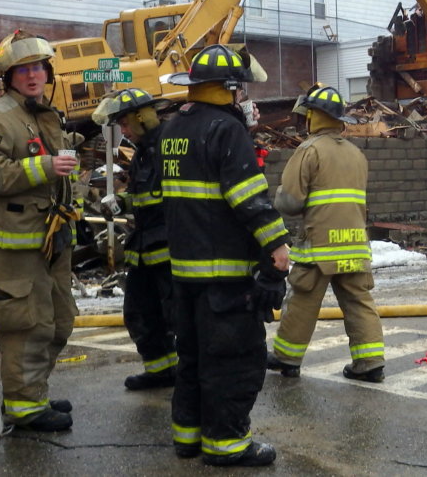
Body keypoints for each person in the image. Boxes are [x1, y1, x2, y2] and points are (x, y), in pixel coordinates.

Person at [160, 44, 291, 467]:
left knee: (192, 357)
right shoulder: (224, 129)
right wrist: (276, 247)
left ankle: (189, 437)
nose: (244, 99)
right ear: (230, 88)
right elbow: (247, 198)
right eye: (241, 91)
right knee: (233, 359)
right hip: (224, 275)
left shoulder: (172, 129)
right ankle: (227, 444)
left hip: (184, 272)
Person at [0, 30, 80, 432]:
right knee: (27, 325)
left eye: (38, 67)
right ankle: (23, 406)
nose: (32, 75)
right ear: (8, 76)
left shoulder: (41, 113)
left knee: (60, 321)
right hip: (17, 245)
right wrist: (47, 167)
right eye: (23, 70)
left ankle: (34, 392)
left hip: (51, 239)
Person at [267, 86, 385, 382]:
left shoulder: (309, 150)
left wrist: (278, 195)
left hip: (320, 247)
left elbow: (291, 202)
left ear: (315, 117)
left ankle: (287, 358)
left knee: (303, 302)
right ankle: (370, 363)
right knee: (359, 302)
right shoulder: (357, 154)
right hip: (355, 245)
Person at [99, 88, 177, 390]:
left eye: (126, 123)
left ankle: (190, 373)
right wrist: (123, 203)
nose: (124, 130)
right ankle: (161, 370)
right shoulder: (143, 148)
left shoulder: (170, 144)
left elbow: (173, 195)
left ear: (143, 117)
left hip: (168, 248)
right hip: (144, 248)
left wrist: (133, 202)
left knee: (177, 316)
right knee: (140, 313)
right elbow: (146, 195)